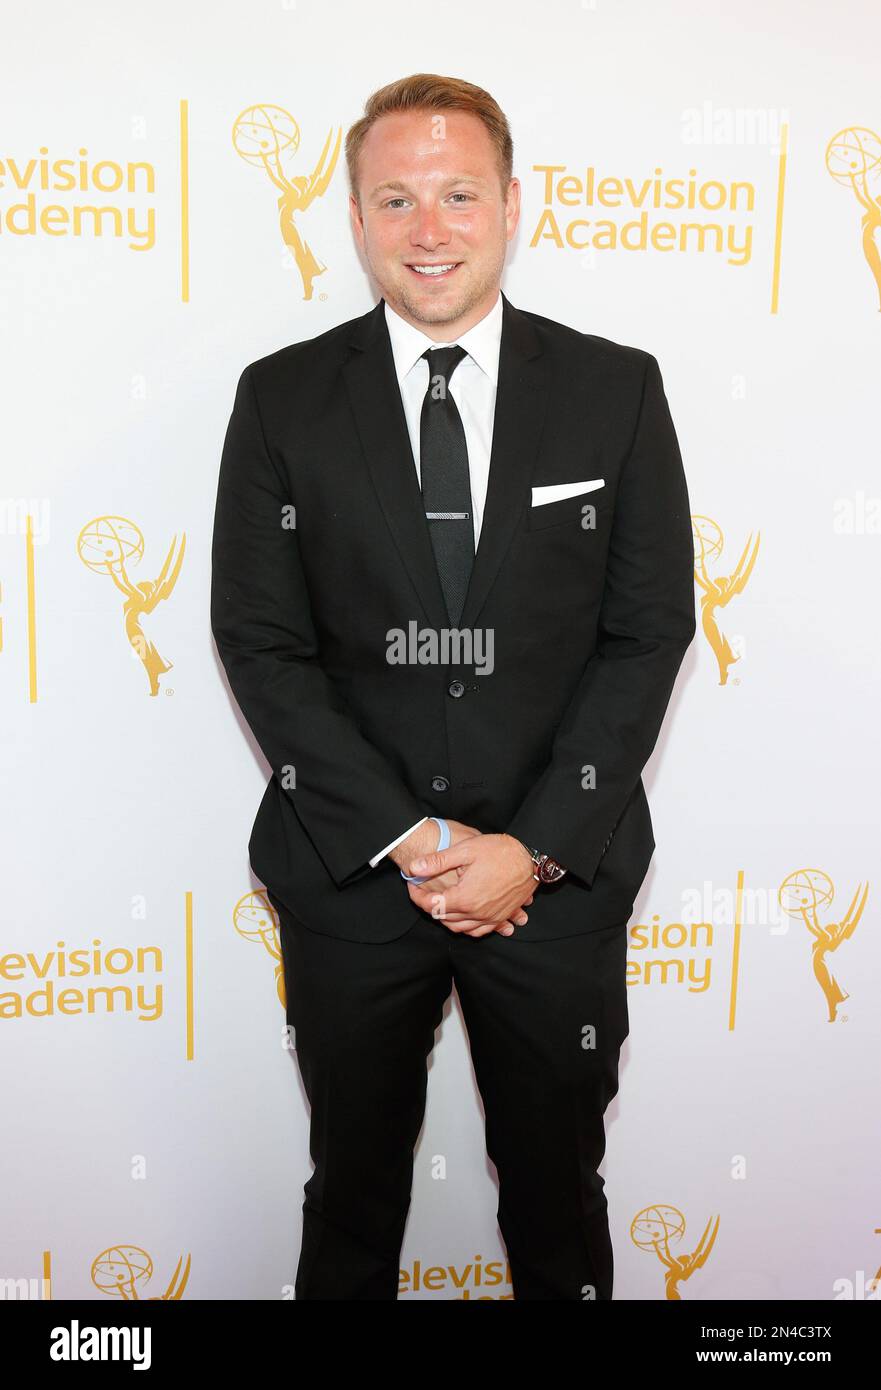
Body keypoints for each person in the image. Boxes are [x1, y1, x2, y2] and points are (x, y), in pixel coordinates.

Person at [210, 72, 696, 1300]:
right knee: (351, 1196)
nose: (428, 230)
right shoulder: (280, 397)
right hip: (353, 879)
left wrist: (525, 848)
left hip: (554, 883)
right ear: (358, 217)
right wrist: (414, 837)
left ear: (511, 205)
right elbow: (260, 641)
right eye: (395, 199)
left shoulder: (616, 389)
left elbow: (647, 633)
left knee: (555, 1196)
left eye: (457, 195)